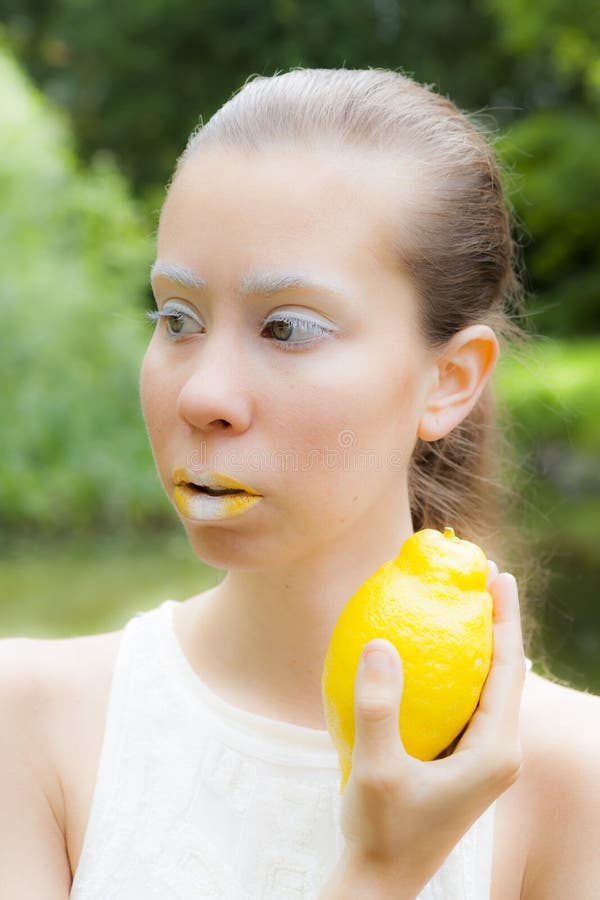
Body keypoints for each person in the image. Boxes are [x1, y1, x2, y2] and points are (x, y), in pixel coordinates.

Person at [1, 67, 599, 899]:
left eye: (286, 329)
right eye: (177, 318)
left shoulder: (570, 781)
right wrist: (383, 873)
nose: (203, 395)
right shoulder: (29, 729)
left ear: (450, 381)